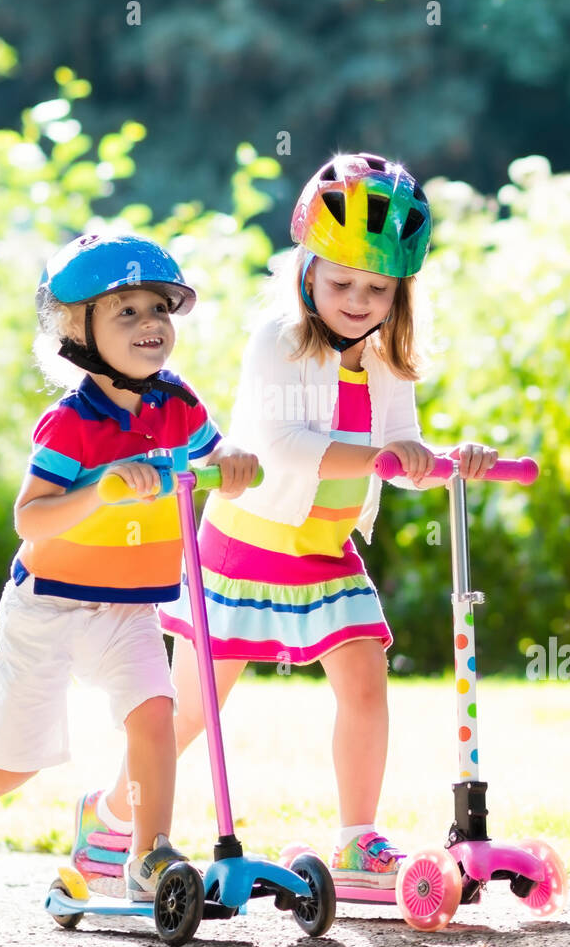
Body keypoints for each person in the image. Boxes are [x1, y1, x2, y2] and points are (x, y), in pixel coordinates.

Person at [70, 154, 499, 894]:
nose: (360, 301)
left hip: (325, 548)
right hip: (245, 547)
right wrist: (383, 457)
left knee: (366, 679)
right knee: (192, 710)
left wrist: (446, 458)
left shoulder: (390, 356)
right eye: (342, 283)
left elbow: (401, 444)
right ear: (307, 266)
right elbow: (282, 449)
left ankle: (358, 843)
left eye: (379, 288)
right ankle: (109, 819)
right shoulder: (278, 339)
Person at [0, 233, 258, 928]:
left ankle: (149, 854)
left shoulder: (177, 403)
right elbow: (32, 519)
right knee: (17, 760)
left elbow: (215, 447)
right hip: (48, 607)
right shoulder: (72, 424)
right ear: (76, 334)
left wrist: (234, 458)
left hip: (129, 611)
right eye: (126, 312)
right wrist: (102, 492)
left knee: (155, 718)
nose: (151, 323)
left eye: (159, 308)